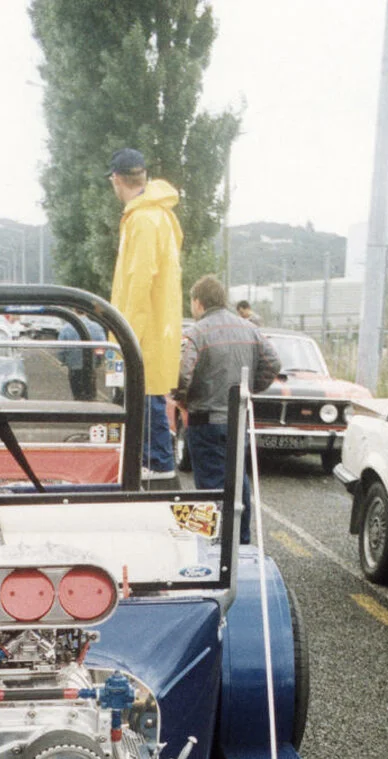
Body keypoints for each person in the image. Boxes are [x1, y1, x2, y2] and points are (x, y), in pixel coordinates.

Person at [174, 274, 281, 543]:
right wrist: (248, 390)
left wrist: (181, 399)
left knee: (210, 489)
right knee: (238, 484)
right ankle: (240, 544)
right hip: (237, 418)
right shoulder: (250, 329)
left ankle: (212, 547)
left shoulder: (196, 332)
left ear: (198, 302)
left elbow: (182, 375)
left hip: (205, 420)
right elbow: (273, 363)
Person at [106, 147, 183, 482]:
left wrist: (126, 337)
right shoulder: (159, 215)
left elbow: (138, 282)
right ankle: (156, 470)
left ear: (116, 180)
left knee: (147, 406)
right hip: (154, 331)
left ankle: (158, 474)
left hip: (143, 336)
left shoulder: (142, 219)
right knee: (149, 405)